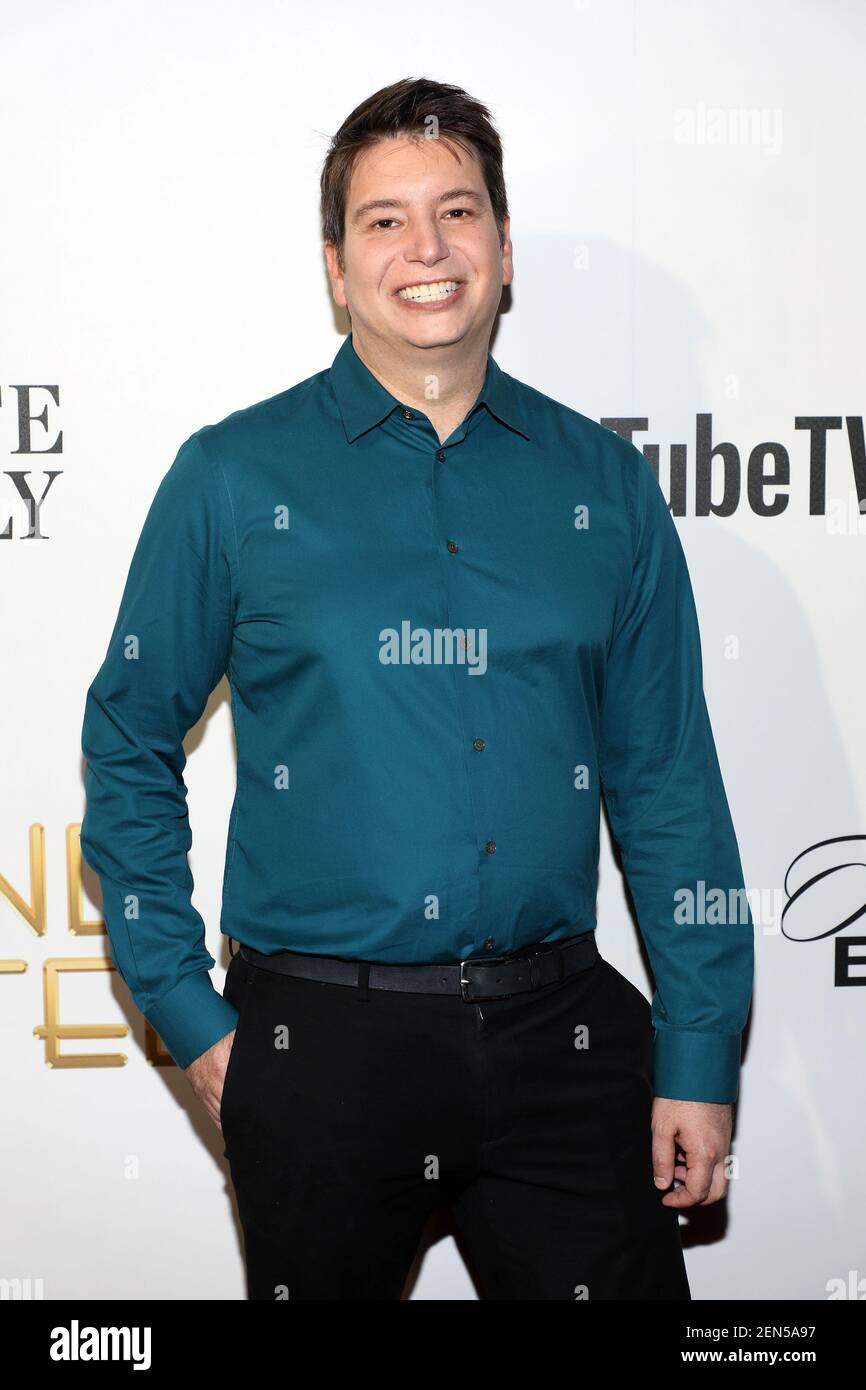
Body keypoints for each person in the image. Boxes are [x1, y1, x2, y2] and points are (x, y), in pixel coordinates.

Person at [79, 76, 754, 1301]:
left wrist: (698, 1045)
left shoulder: (602, 485)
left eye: (457, 211)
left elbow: (666, 782)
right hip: (316, 1045)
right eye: (384, 221)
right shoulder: (231, 478)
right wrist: (192, 1012)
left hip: (566, 1033)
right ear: (335, 267)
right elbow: (126, 733)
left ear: (502, 245)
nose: (426, 249)